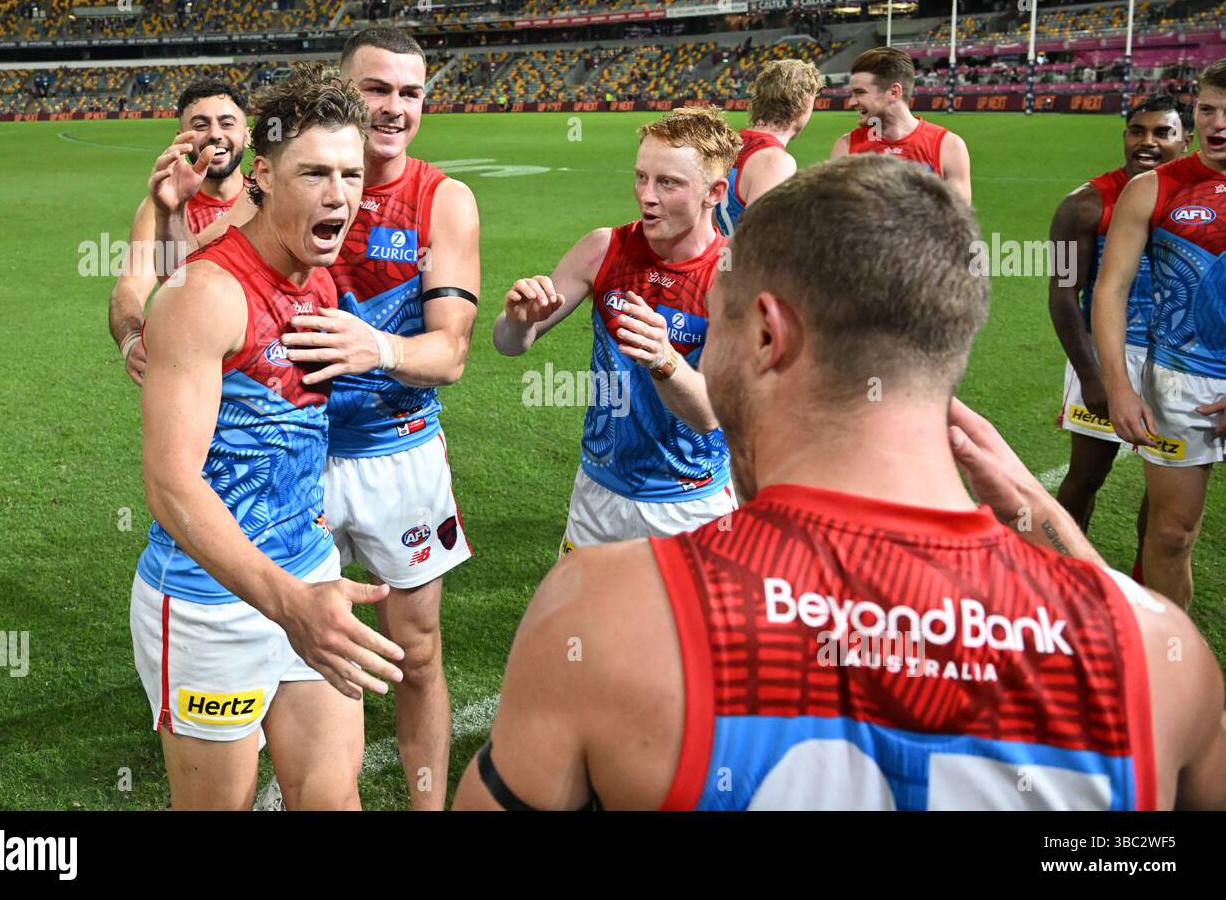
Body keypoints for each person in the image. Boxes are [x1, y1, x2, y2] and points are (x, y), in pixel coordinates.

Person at [453, 156, 1226, 811]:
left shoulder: (603, 612)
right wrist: (1039, 518)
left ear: (765, 333)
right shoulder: (1158, 654)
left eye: (716, 321)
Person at [133, 64, 403, 811]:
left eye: (351, 174)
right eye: (314, 172)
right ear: (263, 177)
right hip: (208, 605)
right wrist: (288, 603)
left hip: (310, 577)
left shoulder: (316, 275)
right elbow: (169, 485)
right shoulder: (205, 296)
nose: (339, 195)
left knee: (331, 798)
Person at [275, 28, 480, 810]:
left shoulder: (441, 199)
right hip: (297, 456)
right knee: (295, 647)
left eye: (410, 93)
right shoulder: (292, 183)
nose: (394, 108)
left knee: (417, 652)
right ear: (343, 89)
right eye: (376, 90)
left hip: (401, 455)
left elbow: (452, 353)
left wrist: (378, 348)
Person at [493, 107, 741, 554]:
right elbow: (507, 346)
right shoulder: (602, 248)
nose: (647, 195)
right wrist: (519, 320)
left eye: (668, 183)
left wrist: (663, 359)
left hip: (690, 503)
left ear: (715, 192)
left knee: (681, 627)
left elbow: (711, 415)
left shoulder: (733, 277)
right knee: (582, 624)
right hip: (598, 491)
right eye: (641, 177)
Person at [1094, 58, 1226, 610]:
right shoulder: (1155, 188)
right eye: (1208, 109)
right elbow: (1110, 291)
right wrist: (1120, 390)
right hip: (1177, 386)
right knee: (1171, 535)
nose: (1219, 123)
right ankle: (1172, 662)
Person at [1048, 95, 1192, 564]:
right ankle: (1060, 577)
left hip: (1182, 364)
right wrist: (1092, 375)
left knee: (1167, 494)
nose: (1146, 142)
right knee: (1085, 475)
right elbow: (1064, 295)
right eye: (1137, 131)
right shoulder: (1084, 205)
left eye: (1162, 133)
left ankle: (1146, 589)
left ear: (1185, 141)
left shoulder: (1207, 203)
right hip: (1109, 357)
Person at [108, 80, 255, 385]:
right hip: (189, 375)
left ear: (247, 134)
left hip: (261, 374)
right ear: (181, 139)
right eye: (200, 125)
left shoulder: (270, 198)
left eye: (227, 123)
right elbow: (129, 290)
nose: (215, 134)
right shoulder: (159, 207)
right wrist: (131, 339)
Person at [830, 47, 972, 203]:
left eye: (860, 92)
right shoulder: (845, 147)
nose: (851, 102)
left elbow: (958, 220)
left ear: (893, 92)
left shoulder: (948, 147)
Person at [715, 58, 821, 236]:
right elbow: (763, 241)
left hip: (724, 259)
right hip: (742, 262)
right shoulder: (774, 161)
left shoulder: (730, 145)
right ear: (804, 102)